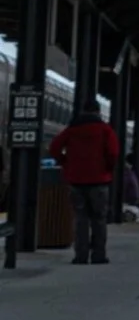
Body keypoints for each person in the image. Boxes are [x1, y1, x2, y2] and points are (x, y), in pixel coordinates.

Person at [46, 104, 119, 265]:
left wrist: (66, 163)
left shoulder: (71, 130)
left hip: (76, 181)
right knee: (99, 220)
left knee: (80, 219)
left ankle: (81, 256)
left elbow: (54, 148)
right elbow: (113, 153)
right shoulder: (105, 130)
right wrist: (107, 168)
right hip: (99, 181)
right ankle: (99, 255)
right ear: (98, 112)